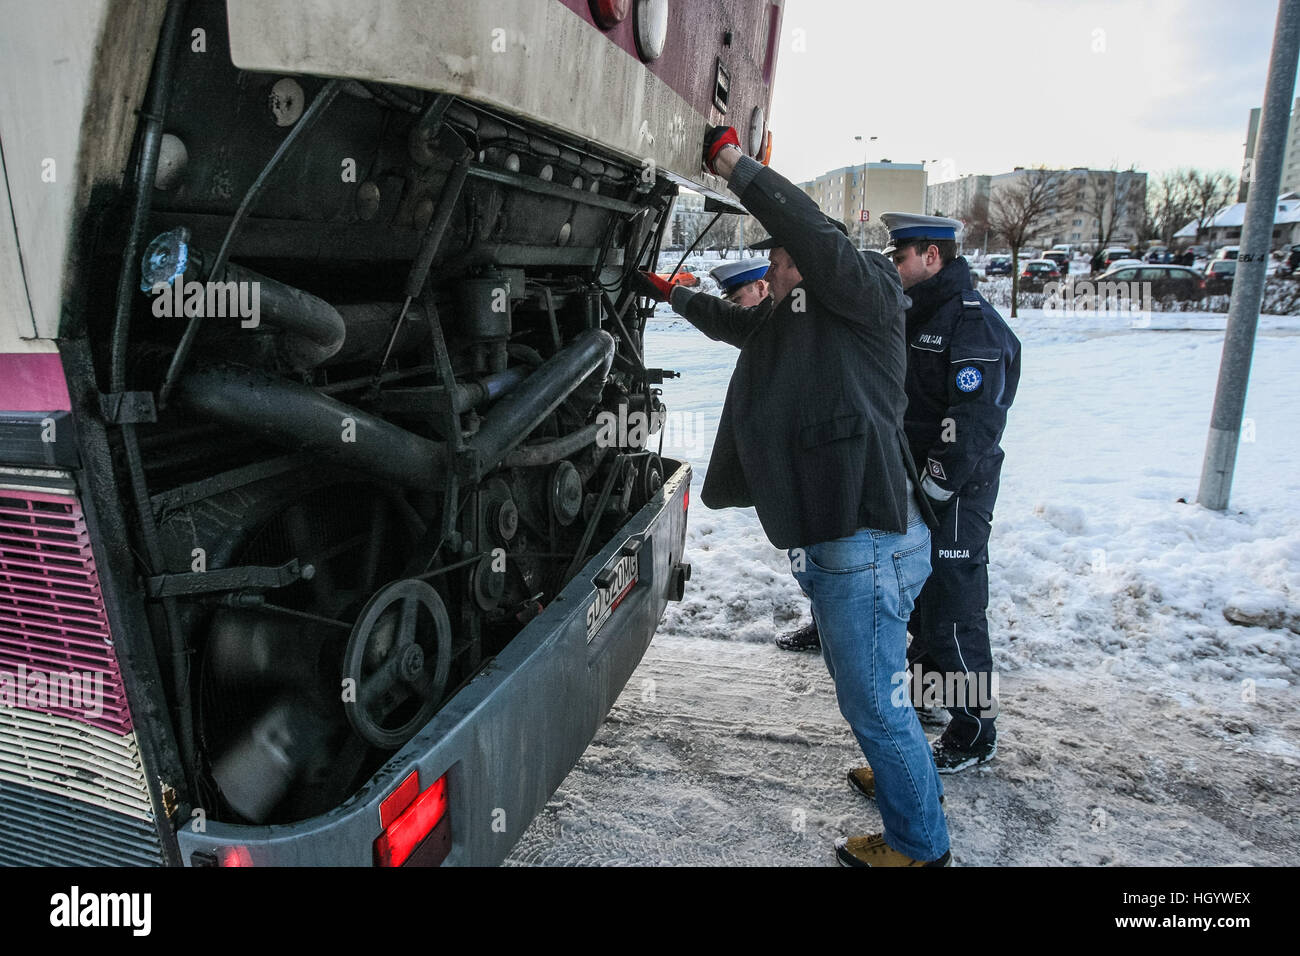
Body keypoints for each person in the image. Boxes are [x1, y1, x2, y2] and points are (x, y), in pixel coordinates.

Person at [634, 127, 949, 867]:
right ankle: (905, 776)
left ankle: (919, 845)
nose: (765, 280)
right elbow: (737, 324)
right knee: (875, 695)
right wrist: (678, 296)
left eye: (776, 265)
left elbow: (807, 230)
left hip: (864, 542)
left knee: (874, 702)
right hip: (850, 541)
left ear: (803, 264)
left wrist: (738, 169)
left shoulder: (863, 289)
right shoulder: (797, 321)